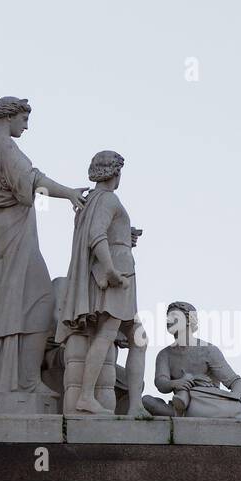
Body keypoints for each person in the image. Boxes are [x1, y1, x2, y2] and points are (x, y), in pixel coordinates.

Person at [0, 98, 85, 411]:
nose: (26, 124)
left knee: (1, 306)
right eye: (24, 118)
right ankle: (25, 380)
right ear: (9, 116)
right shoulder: (5, 149)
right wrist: (70, 194)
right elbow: (33, 181)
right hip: (11, 241)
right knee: (40, 300)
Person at [56, 151, 149, 416]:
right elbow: (97, 235)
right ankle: (86, 396)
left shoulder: (93, 200)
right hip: (117, 274)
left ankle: (135, 405)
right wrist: (110, 270)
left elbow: (100, 233)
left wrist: (124, 236)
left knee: (138, 339)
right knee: (107, 334)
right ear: (115, 172)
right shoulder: (108, 198)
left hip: (118, 269)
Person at [144, 302, 241, 419]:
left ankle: (186, 413)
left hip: (208, 401)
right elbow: (161, 383)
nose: (169, 320)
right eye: (168, 317)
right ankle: (183, 412)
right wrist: (177, 383)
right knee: (147, 401)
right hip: (182, 402)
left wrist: (234, 398)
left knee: (233, 409)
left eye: (174, 316)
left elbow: (235, 383)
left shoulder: (208, 350)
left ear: (189, 320)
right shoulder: (164, 354)